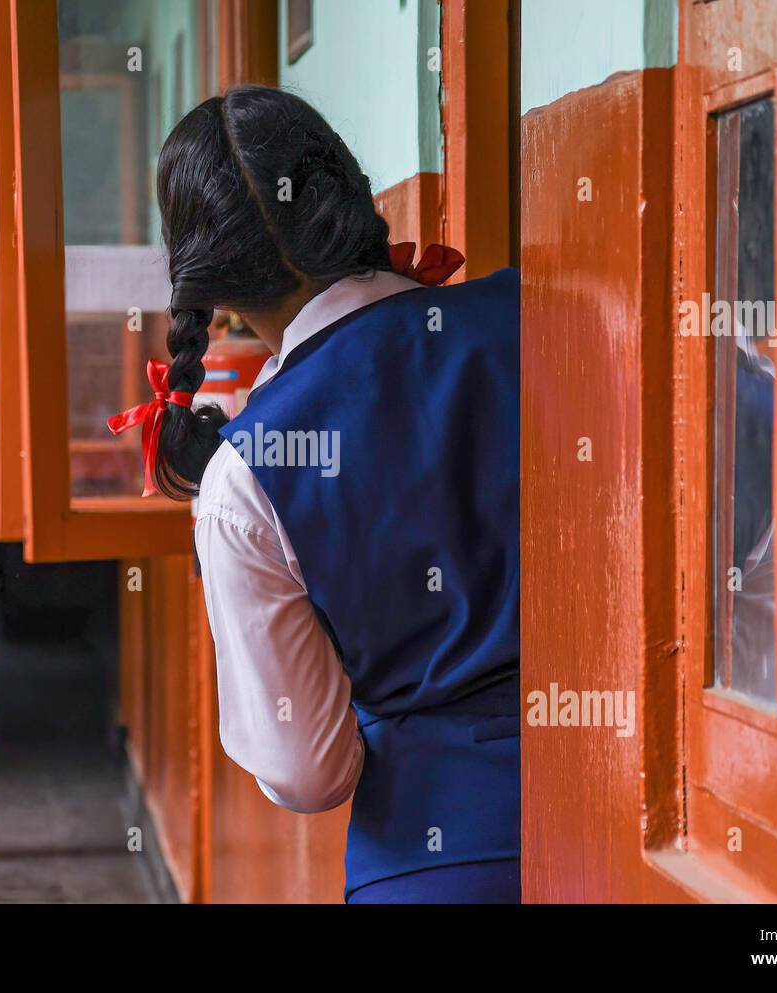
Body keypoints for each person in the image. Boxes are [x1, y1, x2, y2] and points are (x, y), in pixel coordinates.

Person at [108, 86, 520, 903]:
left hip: (437, 862)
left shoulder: (245, 471)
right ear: (350, 192)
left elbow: (309, 773)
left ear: (209, 282)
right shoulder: (535, 314)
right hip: (634, 820)